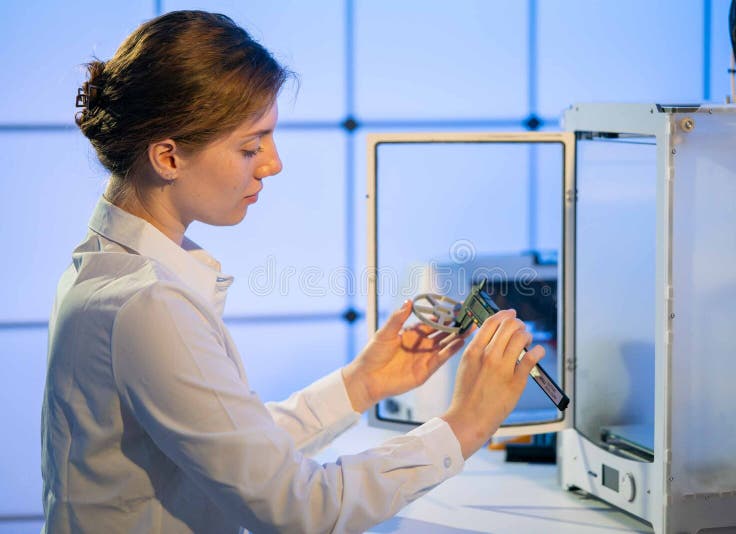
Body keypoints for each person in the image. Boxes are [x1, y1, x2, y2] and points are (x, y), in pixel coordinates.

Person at [42, 10, 544, 533]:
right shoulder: (147, 305)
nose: (272, 163)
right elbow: (297, 508)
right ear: (168, 157)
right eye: (249, 146)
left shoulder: (109, 270)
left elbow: (230, 449)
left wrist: (360, 383)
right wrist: (466, 425)